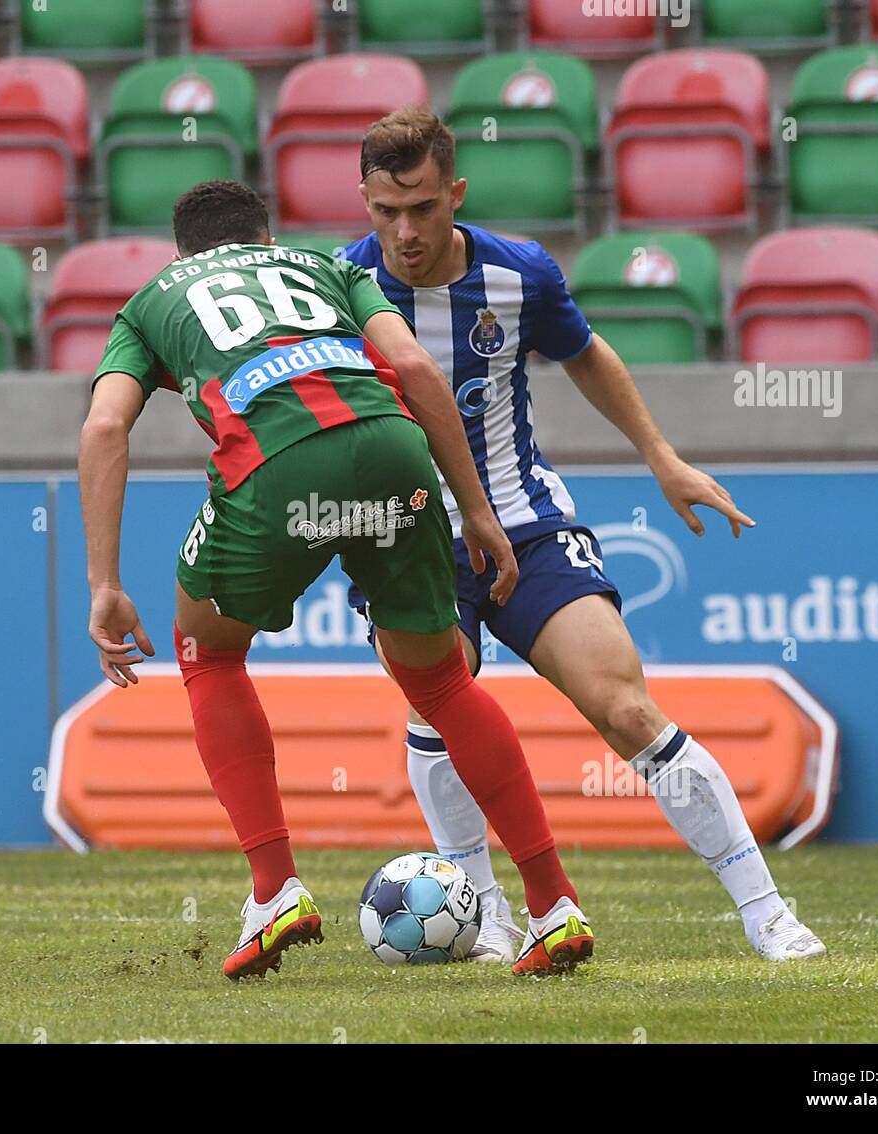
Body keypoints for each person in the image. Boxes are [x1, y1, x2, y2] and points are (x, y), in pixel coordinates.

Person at [343, 108, 825, 964]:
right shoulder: (342, 287)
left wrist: (662, 457)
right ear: (366, 202)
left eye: (421, 206)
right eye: (386, 211)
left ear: (455, 193)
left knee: (627, 708)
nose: (404, 231)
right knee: (437, 707)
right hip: (412, 542)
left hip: (525, 524)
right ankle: (485, 914)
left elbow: (587, 354)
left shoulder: (518, 273)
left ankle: (767, 912)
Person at [81, 179, 595, 980]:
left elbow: (107, 424)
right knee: (444, 687)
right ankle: (554, 906)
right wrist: (478, 511)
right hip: (395, 449)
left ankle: (274, 889)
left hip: (277, 470)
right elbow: (419, 370)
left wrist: (103, 581)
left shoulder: (152, 300)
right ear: (264, 236)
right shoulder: (325, 266)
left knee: (209, 653)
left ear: (183, 254)